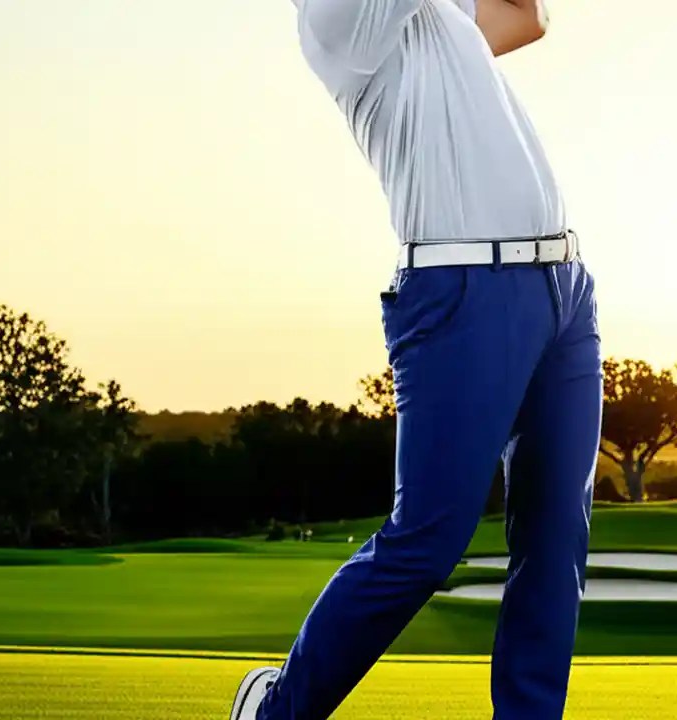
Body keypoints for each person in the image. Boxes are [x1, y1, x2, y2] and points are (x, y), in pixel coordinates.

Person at [232, 1, 603, 718]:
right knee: (426, 543)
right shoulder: (337, 21)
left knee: (556, 539)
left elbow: (525, 17)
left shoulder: (440, 17)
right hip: (459, 293)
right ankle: (277, 711)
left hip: (562, 287)